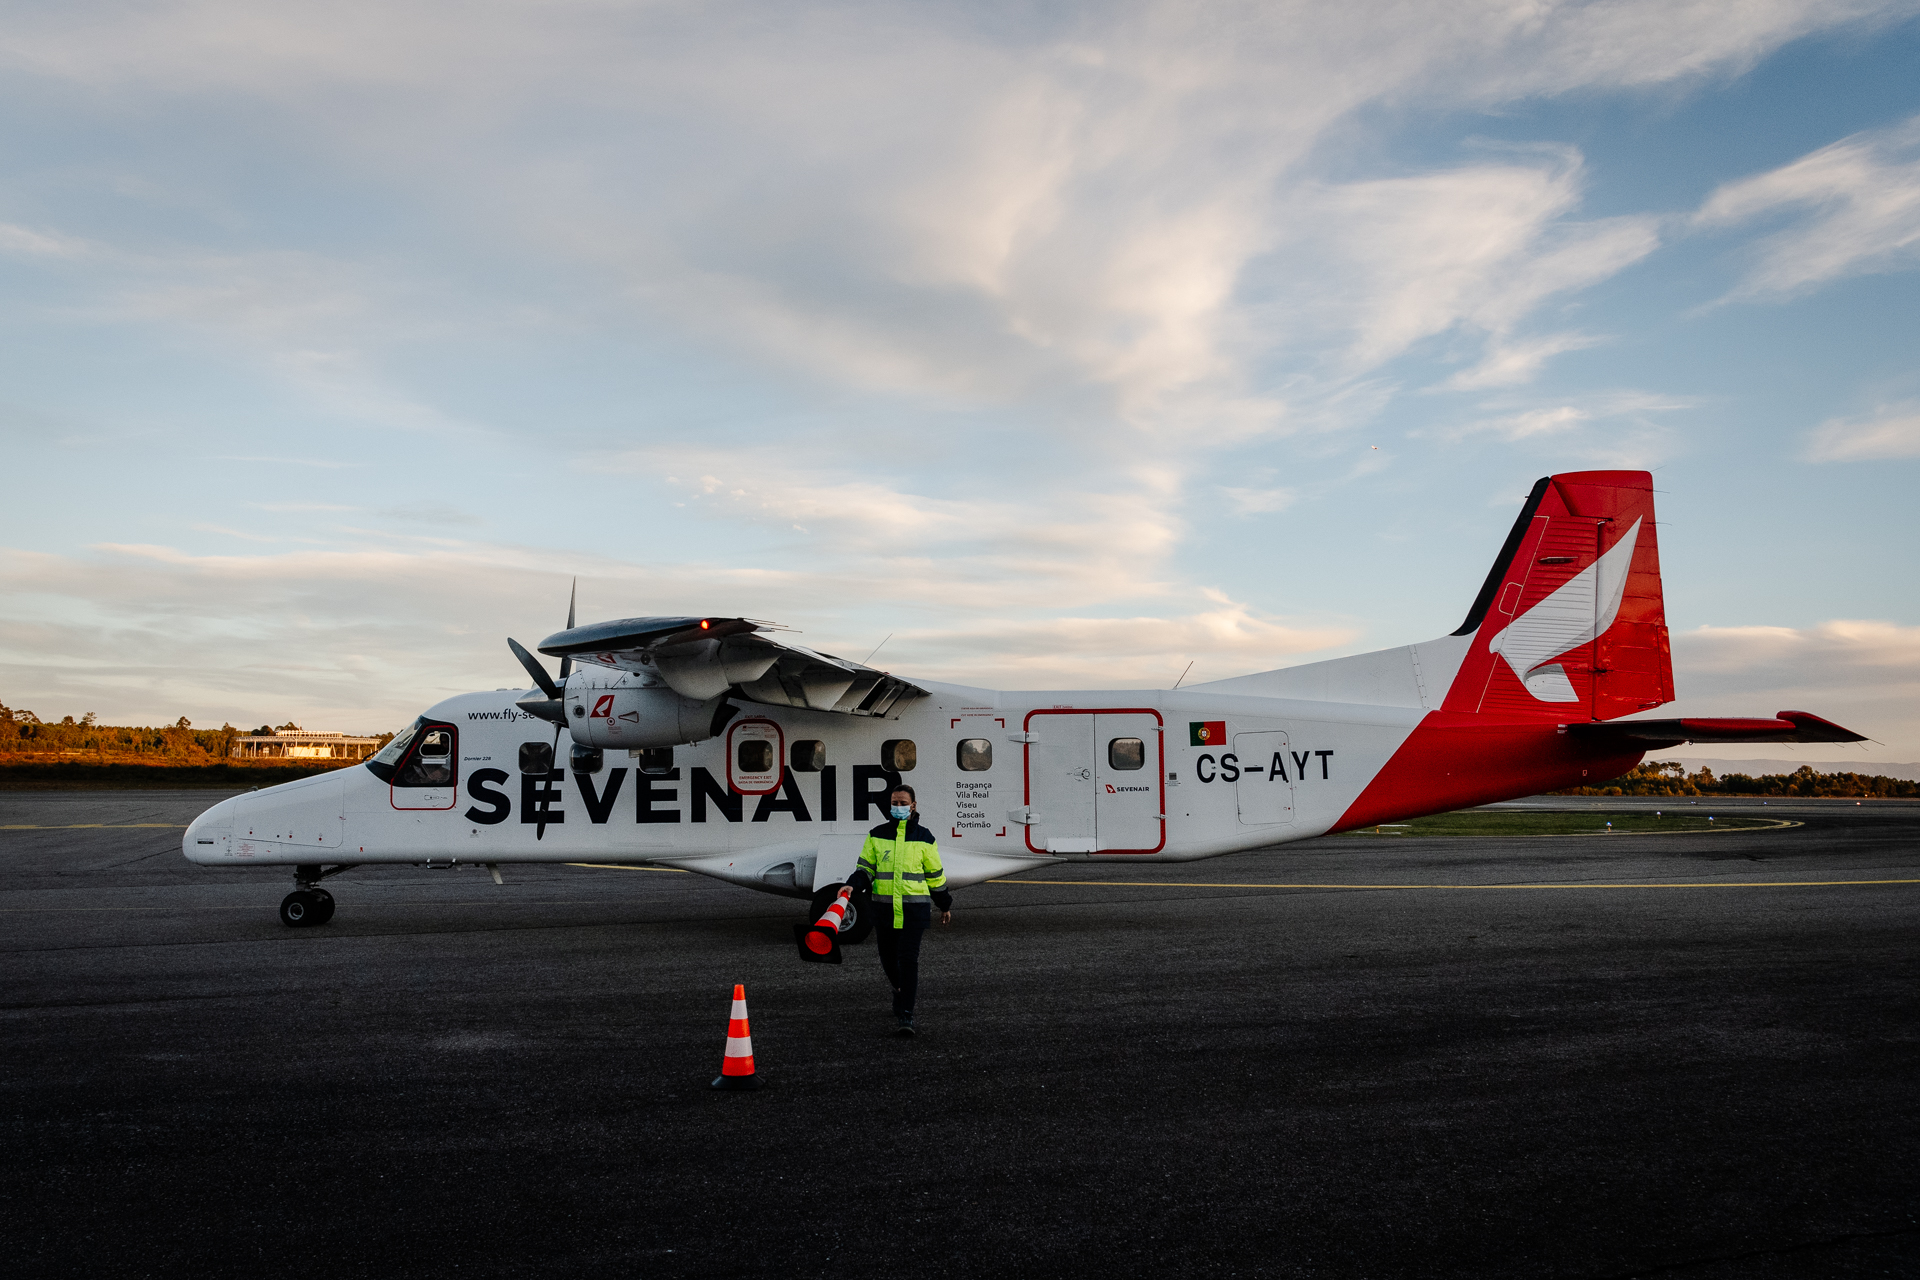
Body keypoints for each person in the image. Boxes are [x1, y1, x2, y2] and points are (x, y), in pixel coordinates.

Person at [846, 784, 951, 1036]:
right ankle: (900, 991)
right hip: (883, 910)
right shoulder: (876, 835)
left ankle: (907, 1015)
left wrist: (944, 904)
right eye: (895, 802)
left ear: (913, 805)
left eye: (903, 803)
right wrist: (852, 885)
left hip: (914, 911)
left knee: (908, 959)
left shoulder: (925, 838)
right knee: (887, 958)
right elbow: (865, 869)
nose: (898, 807)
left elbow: (935, 876)